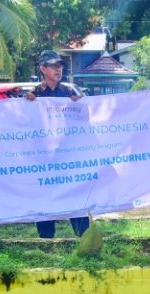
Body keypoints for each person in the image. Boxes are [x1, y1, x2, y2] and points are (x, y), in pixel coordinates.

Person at [25, 50, 89, 238]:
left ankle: (84, 239)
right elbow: (23, 124)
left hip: (68, 157)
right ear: (43, 69)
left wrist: (79, 105)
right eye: (53, 66)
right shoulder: (32, 95)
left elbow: (85, 121)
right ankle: (46, 243)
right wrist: (26, 104)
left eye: (60, 66)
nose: (58, 70)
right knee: (45, 199)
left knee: (76, 198)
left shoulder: (71, 92)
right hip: (43, 160)